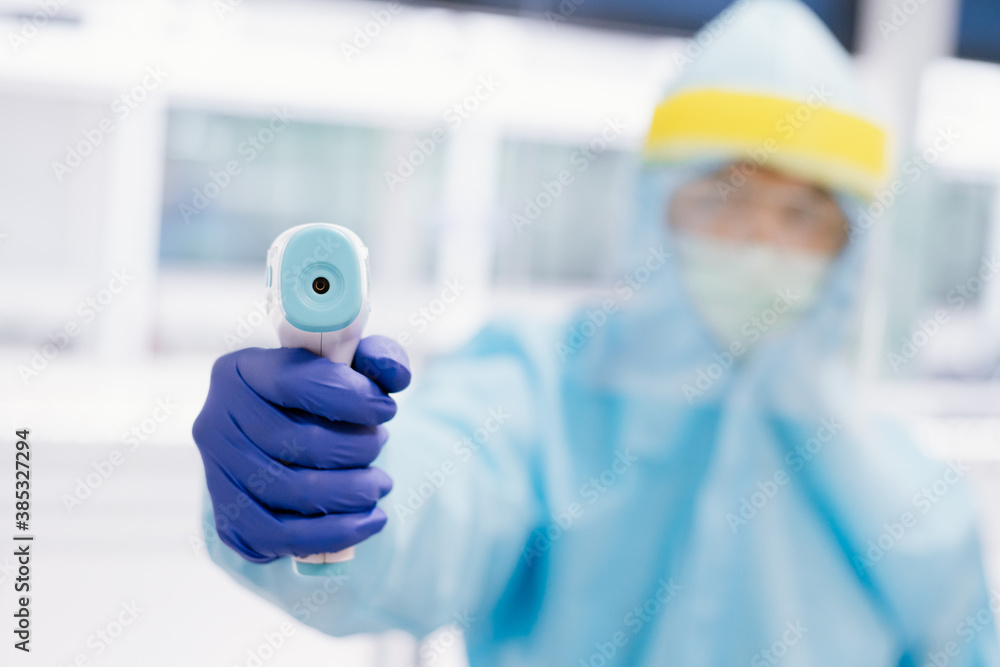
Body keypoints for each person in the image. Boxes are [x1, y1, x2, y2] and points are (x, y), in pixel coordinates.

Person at [192, 0, 1000, 664]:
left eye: (801, 214)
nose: (760, 243)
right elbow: (445, 495)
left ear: (850, 245)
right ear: (656, 209)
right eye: (726, 198)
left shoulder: (913, 502)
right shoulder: (544, 393)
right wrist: (319, 476)